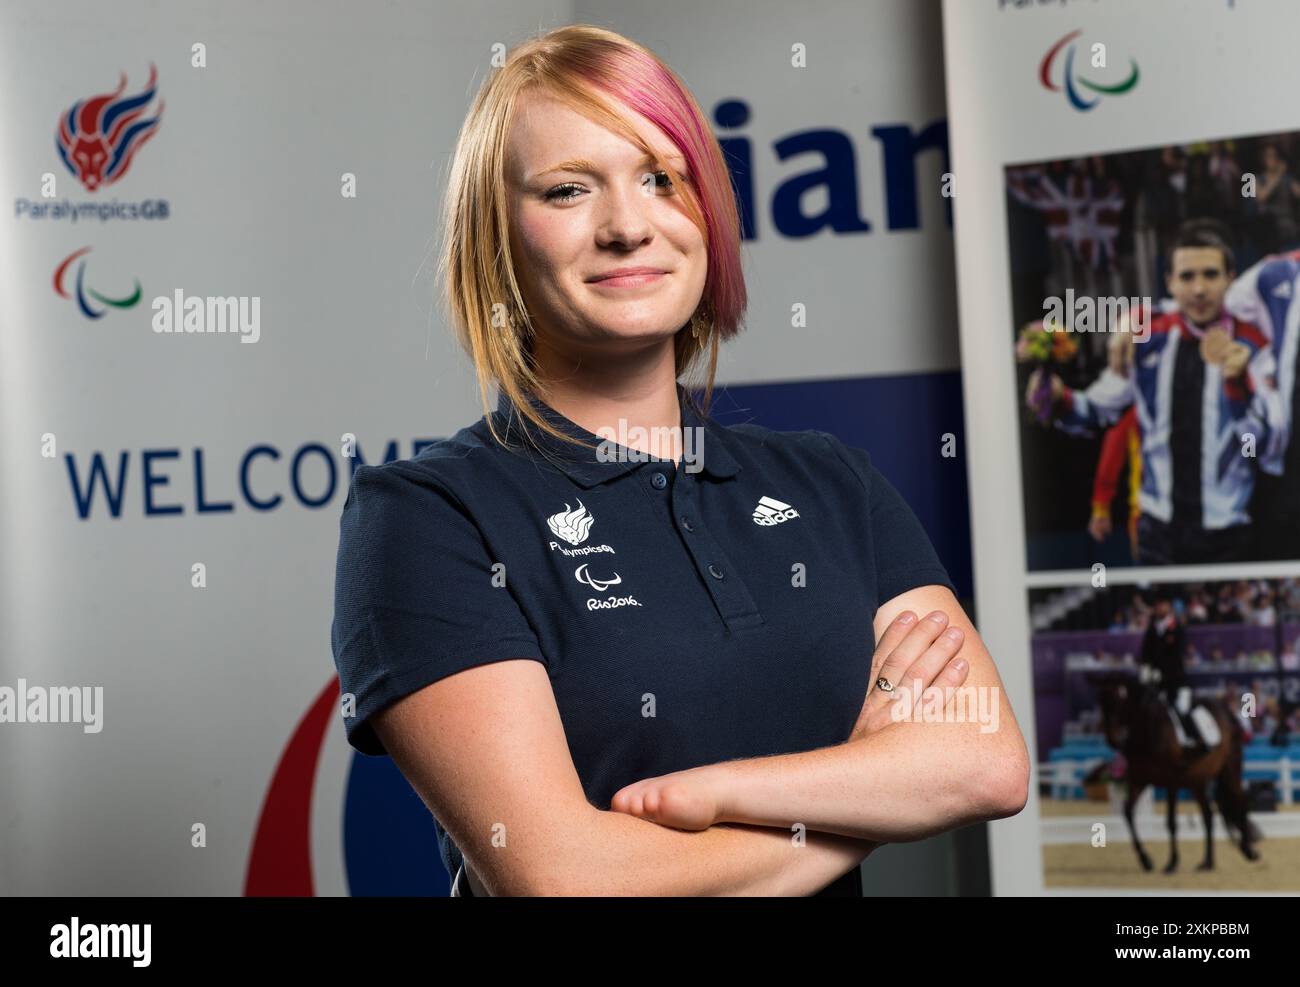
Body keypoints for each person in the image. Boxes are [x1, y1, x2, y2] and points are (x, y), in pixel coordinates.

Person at [329, 24, 1029, 897]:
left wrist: (717, 795)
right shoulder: (427, 517)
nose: (629, 225)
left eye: (663, 177)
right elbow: (567, 881)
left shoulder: (830, 481)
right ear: (496, 239)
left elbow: (986, 759)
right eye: (568, 189)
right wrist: (870, 784)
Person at [1027, 220, 1279, 565]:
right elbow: (1096, 410)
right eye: (1187, 277)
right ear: (1170, 282)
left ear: (1230, 279)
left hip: (1229, 531)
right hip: (1156, 532)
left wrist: (1237, 389)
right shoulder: (1147, 338)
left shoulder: (1254, 343)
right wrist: (1059, 400)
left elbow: (1265, 446)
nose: (1200, 289)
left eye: (1210, 274)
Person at [1138, 591, 1203, 751]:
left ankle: (1192, 740)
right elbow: (1146, 652)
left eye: (1162, 604)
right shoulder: (1152, 630)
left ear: (1169, 606)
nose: (1159, 608)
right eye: (1157, 605)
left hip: (1176, 681)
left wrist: (1162, 672)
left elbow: (1176, 655)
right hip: (1155, 683)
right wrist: (1146, 668)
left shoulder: (1177, 628)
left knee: (1182, 709)